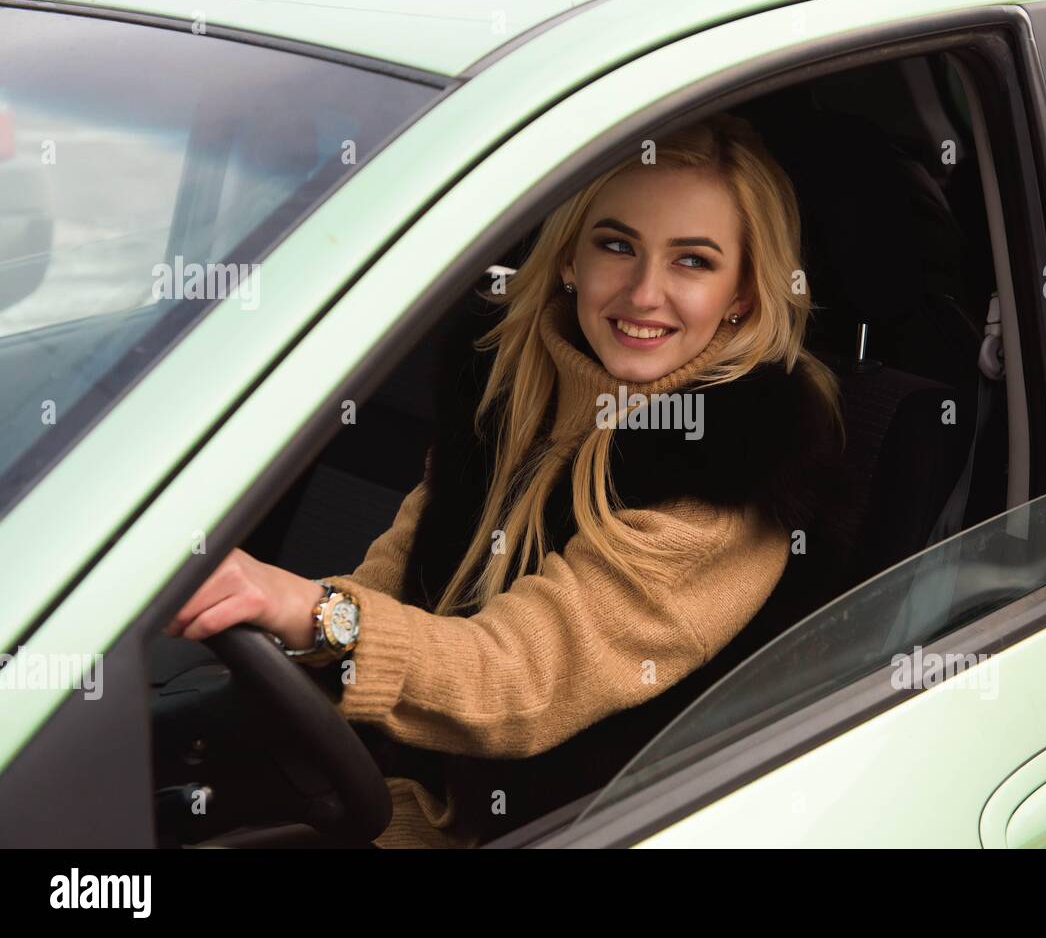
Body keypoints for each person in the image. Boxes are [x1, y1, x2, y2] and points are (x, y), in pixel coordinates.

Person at [165, 111, 850, 847]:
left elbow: (517, 683)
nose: (645, 293)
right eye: (617, 245)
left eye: (693, 261)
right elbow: (386, 580)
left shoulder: (726, 488)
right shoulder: (508, 396)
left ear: (742, 293)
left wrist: (311, 610)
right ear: (567, 259)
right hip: (384, 791)